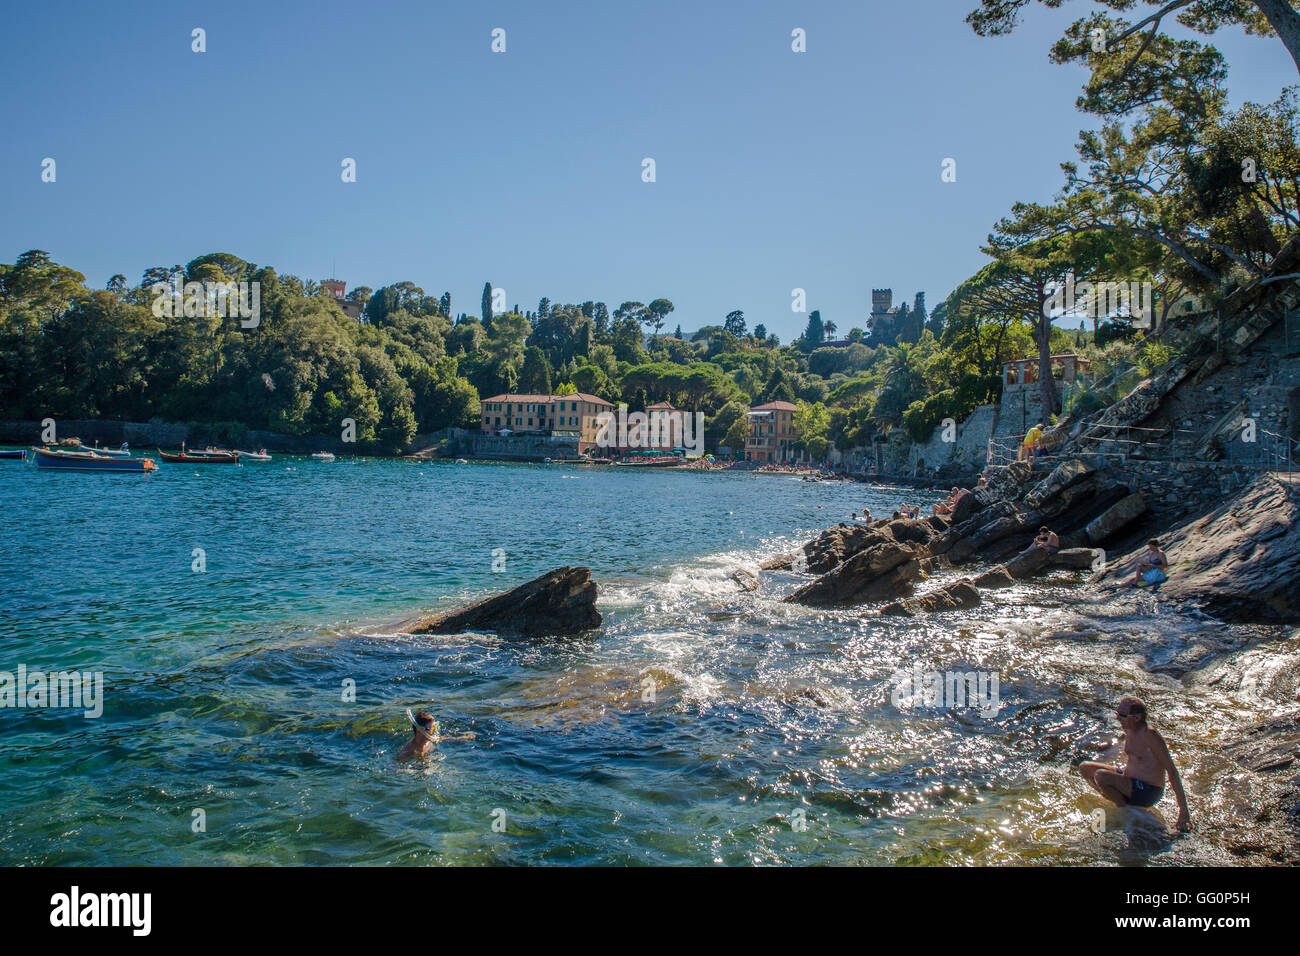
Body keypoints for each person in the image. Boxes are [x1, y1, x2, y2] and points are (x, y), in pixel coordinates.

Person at [1079, 696, 1191, 832]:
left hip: (1147, 790)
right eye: (1117, 713)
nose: (1117, 718)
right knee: (1085, 768)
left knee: (1102, 776)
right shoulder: (1129, 728)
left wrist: (1183, 812)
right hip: (1130, 780)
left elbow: (1172, 771)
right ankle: (1122, 803)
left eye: (1122, 715)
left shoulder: (1150, 735)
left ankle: (1126, 814)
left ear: (1137, 718)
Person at [396, 710, 475, 762]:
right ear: (419, 731)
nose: (434, 732)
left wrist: (461, 738)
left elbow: (442, 739)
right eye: (432, 728)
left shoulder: (427, 742)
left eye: (435, 727)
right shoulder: (409, 751)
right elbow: (395, 766)